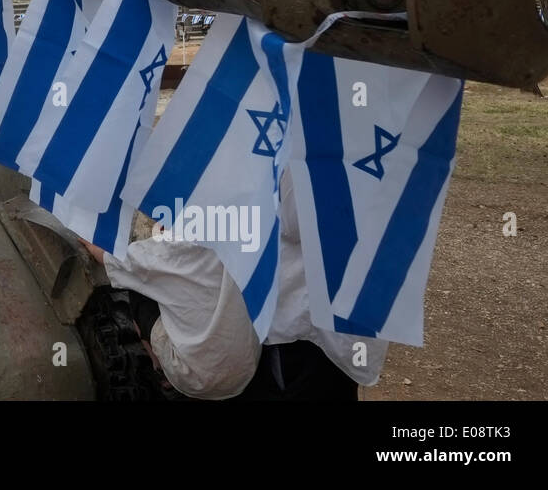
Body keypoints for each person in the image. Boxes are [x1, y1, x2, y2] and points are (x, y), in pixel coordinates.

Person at [81, 170, 386, 400]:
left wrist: (99, 247)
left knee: (145, 290)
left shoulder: (253, 188)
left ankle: (160, 365)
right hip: (340, 337)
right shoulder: (359, 169)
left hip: (280, 349)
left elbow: (154, 262)